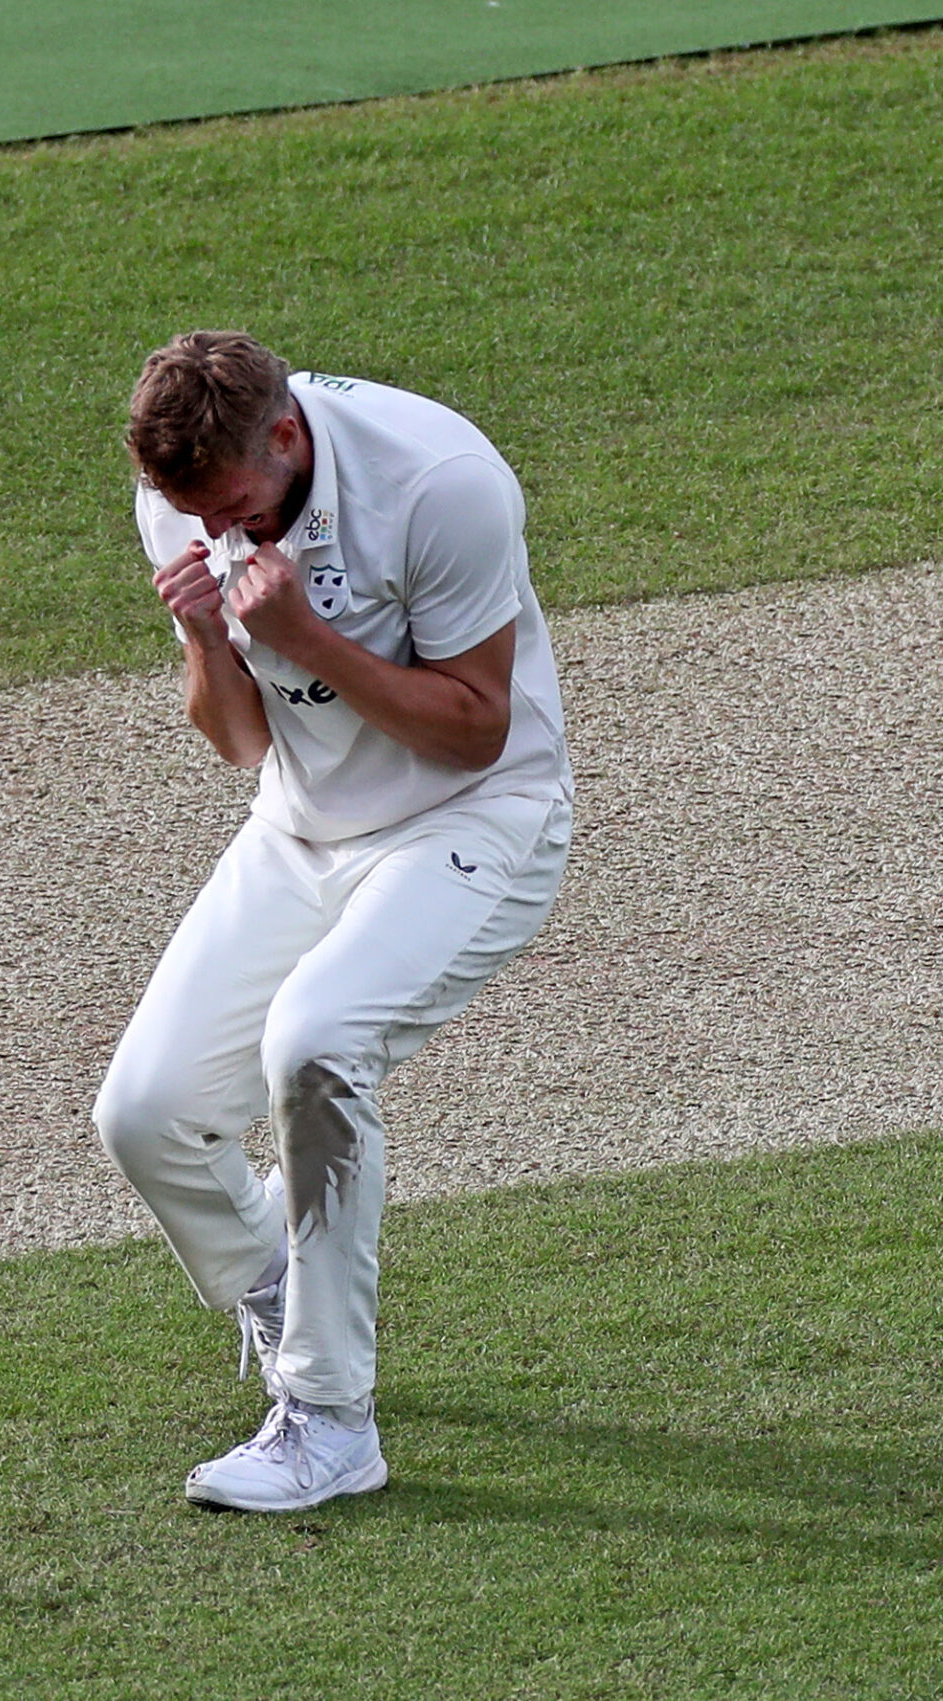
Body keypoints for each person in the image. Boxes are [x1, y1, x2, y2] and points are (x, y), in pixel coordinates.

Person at [94, 331, 574, 1512]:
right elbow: (244, 743)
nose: (222, 537)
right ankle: (276, 1284)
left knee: (314, 1044)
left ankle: (328, 1419)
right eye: (194, 515)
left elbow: (475, 731)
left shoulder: (438, 482)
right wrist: (211, 638)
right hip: (301, 826)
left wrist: (305, 636)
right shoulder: (188, 497)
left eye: (240, 511)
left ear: (289, 438)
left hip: (472, 818)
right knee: (147, 1116)